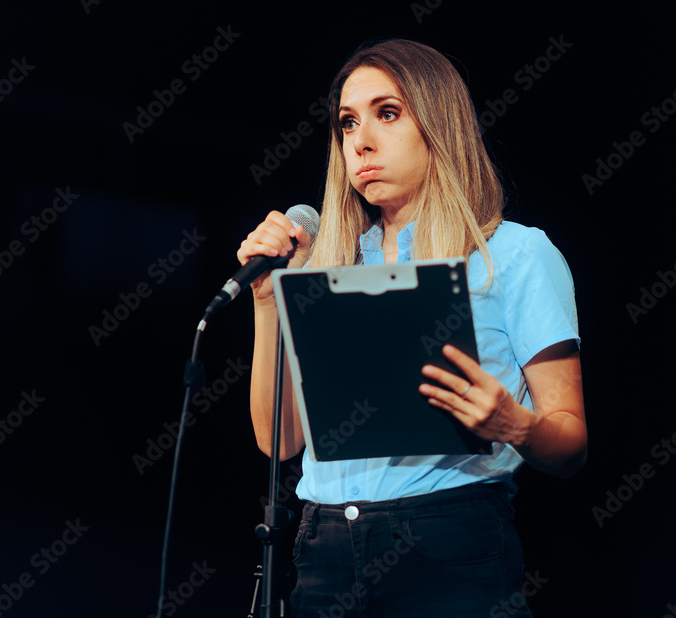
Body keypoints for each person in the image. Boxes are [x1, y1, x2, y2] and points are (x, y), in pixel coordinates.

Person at [236, 39, 586, 617]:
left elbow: (570, 441)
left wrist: (514, 424)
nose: (361, 141)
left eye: (387, 113)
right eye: (347, 124)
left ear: (438, 123)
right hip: (323, 551)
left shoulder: (514, 253)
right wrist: (268, 301)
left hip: (448, 548)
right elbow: (279, 441)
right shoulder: (329, 264)